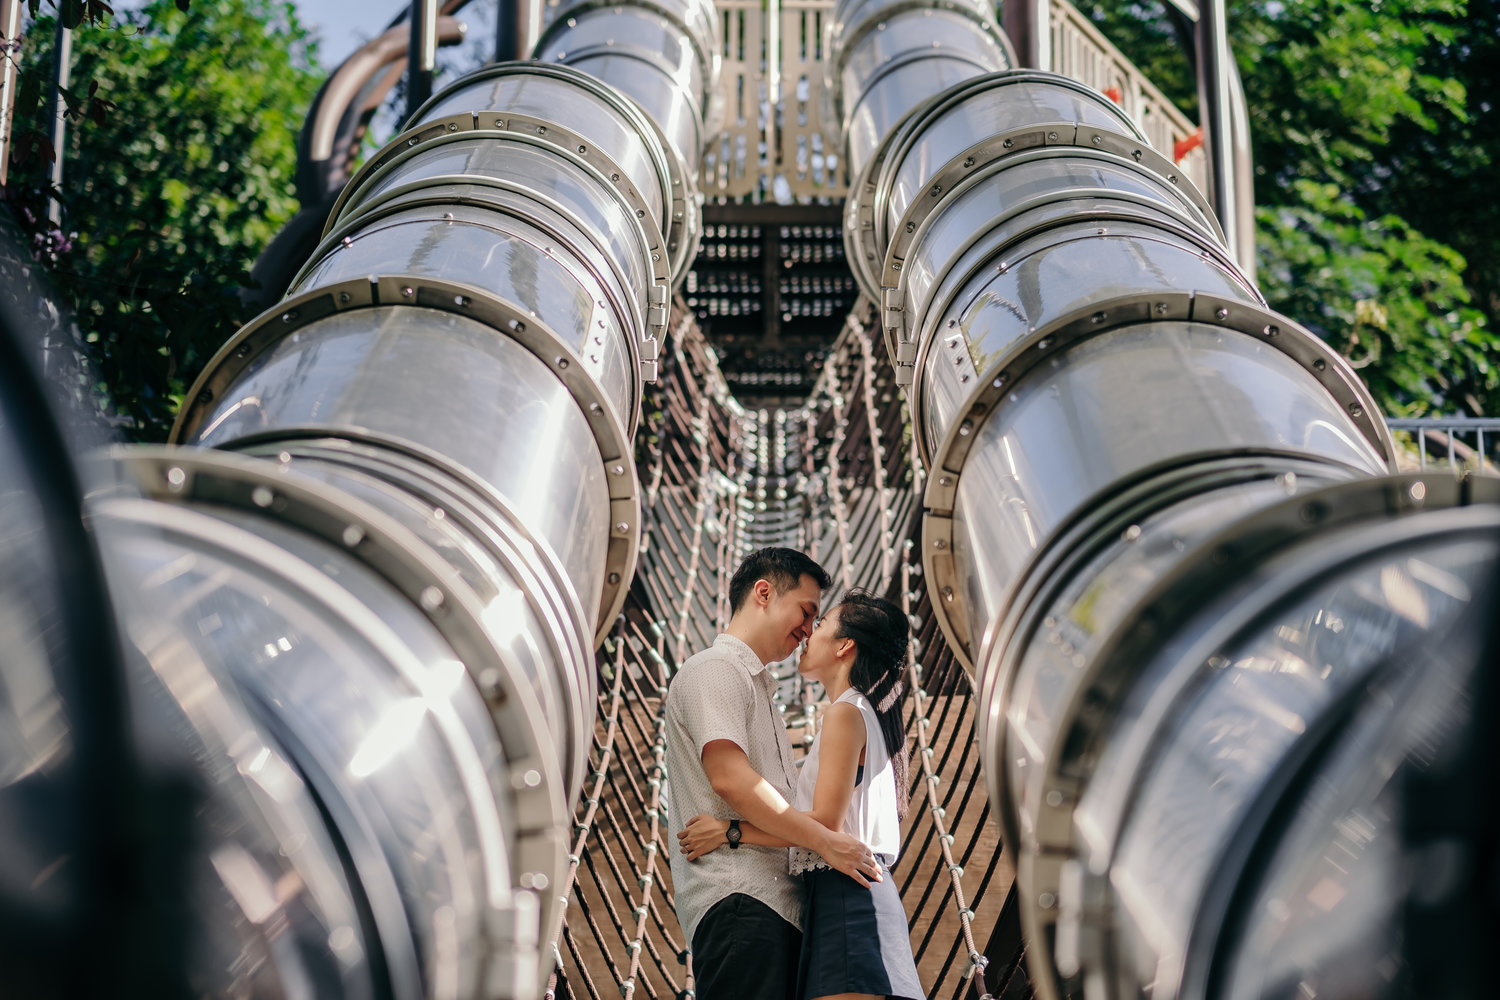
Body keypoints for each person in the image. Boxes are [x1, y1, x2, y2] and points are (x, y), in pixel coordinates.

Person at [678, 589, 922, 1000]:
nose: (810, 632)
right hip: (850, 897)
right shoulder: (866, 715)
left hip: (846, 899)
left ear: (845, 645)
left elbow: (825, 823)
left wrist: (728, 830)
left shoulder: (846, 713)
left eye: (821, 623)